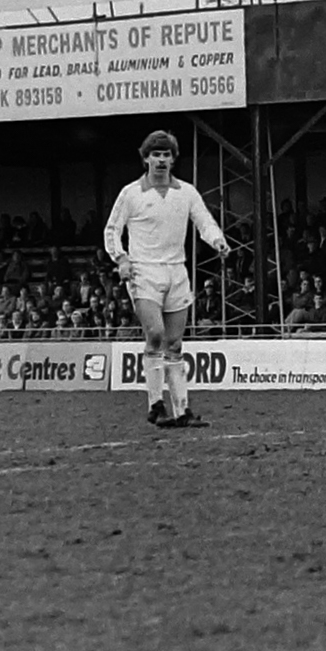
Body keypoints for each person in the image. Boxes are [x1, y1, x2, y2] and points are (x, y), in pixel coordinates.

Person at [103, 129, 231, 428]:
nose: (160, 160)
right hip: (144, 272)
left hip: (177, 272)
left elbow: (204, 221)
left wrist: (218, 241)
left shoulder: (186, 192)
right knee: (156, 335)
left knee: (174, 344)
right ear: (145, 158)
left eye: (166, 155)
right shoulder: (131, 193)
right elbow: (112, 230)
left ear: (173, 159)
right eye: (155, 154)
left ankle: (183, 409)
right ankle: (155, 404)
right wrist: (121, 258)